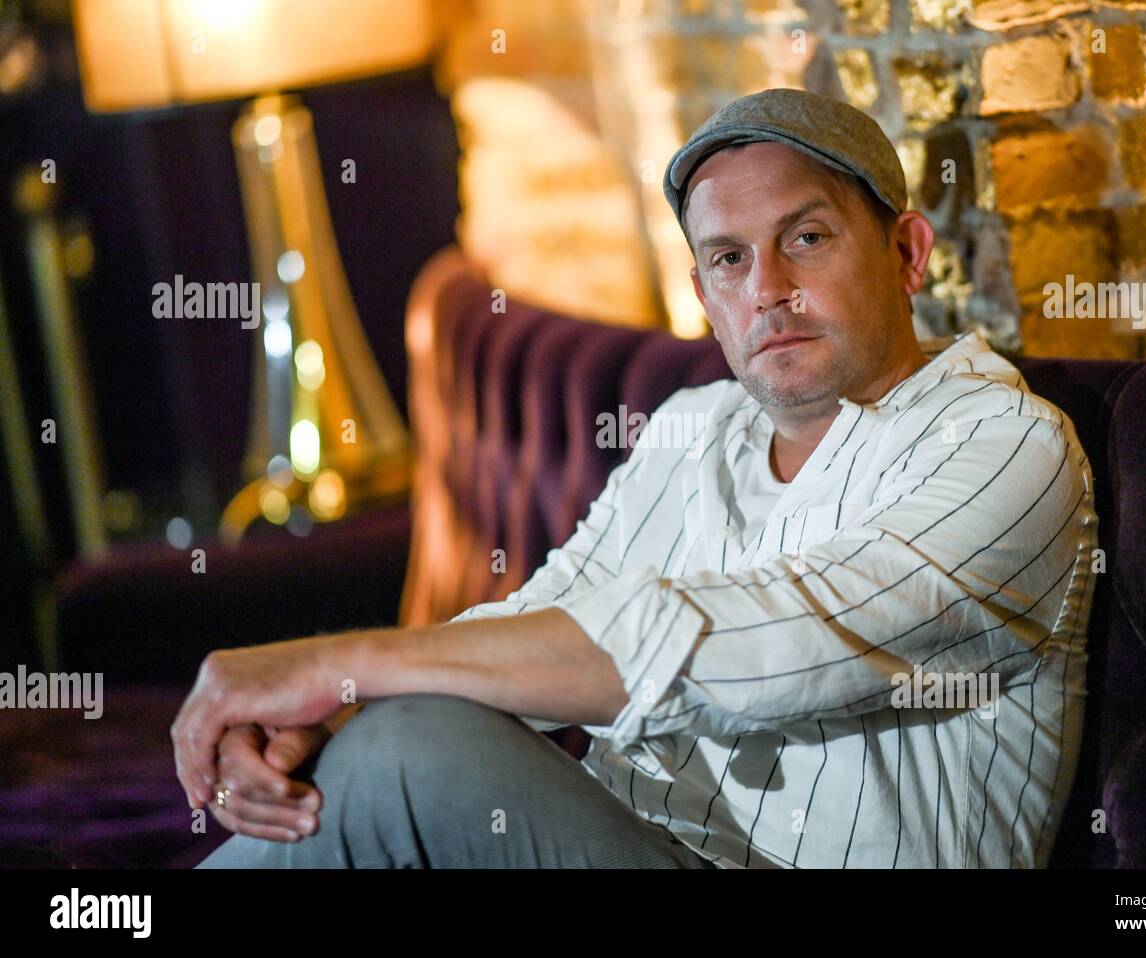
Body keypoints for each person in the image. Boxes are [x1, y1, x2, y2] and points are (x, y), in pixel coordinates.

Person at [185, 87, 1098, 869]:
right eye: (730, 258)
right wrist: (332, 708)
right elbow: (550, 610)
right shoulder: (690, 430)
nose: (767, 287)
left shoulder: (1001, 444)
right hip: (632, 842)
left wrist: (333, 668)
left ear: (906, 253)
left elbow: (751, 652)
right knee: (383, 748)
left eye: (808, 238)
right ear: (704, 295)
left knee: (413, 749)